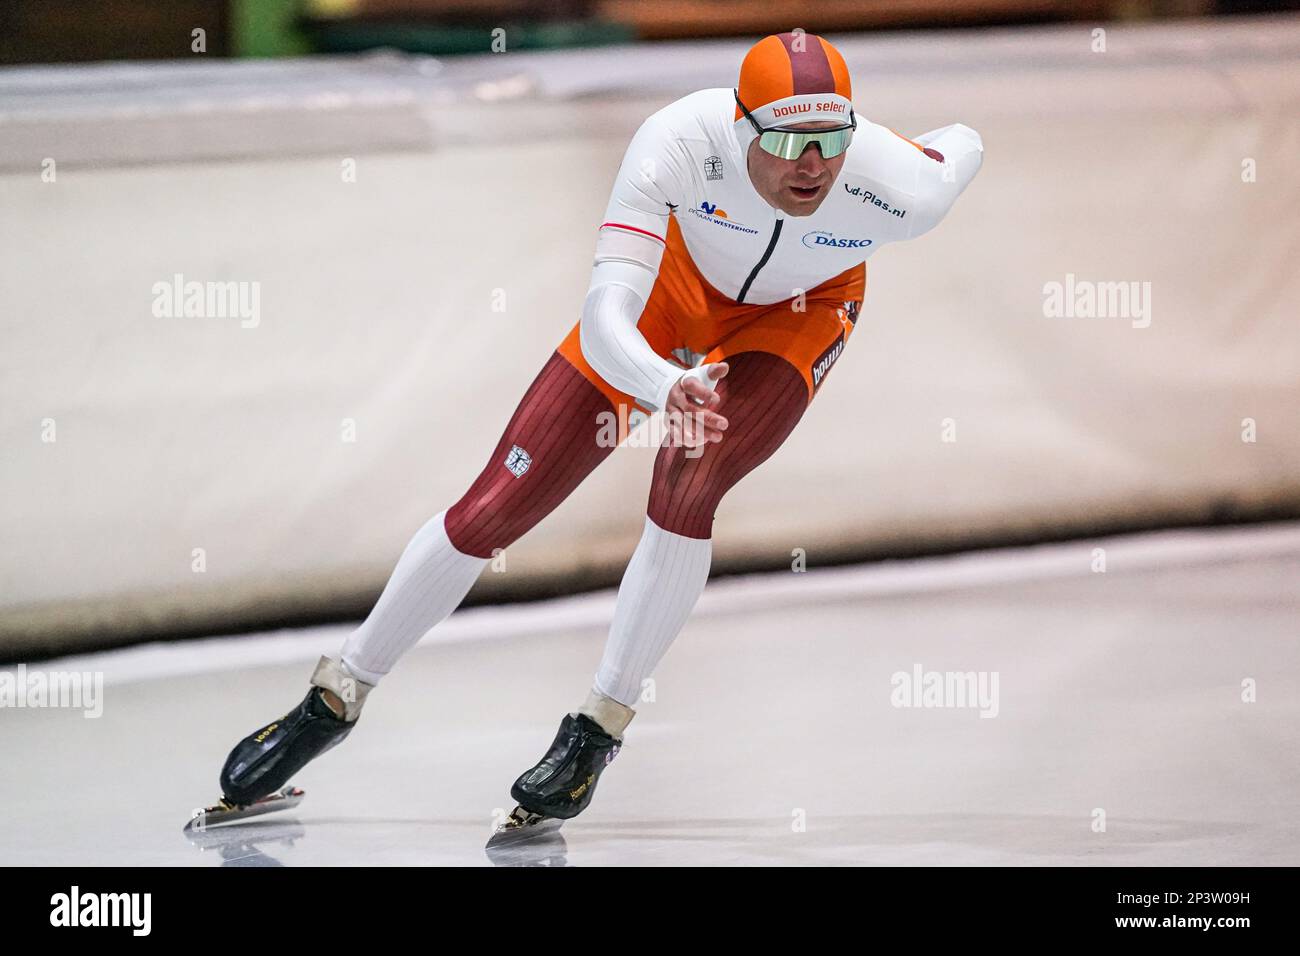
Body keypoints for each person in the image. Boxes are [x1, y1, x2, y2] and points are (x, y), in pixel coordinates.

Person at [215, 31, 983, 829]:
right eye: (787, 139)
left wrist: (907, 149)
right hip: (666, 303)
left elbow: (965, 144)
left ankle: (594, 731)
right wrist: (661, 381)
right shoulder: (677, 143)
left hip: (799, 314)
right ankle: (335, 697)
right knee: (493, 508)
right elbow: (606, 312)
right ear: (739, 125)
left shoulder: (902, 189)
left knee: (690, 478)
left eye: (830, 141)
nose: (812, 166)